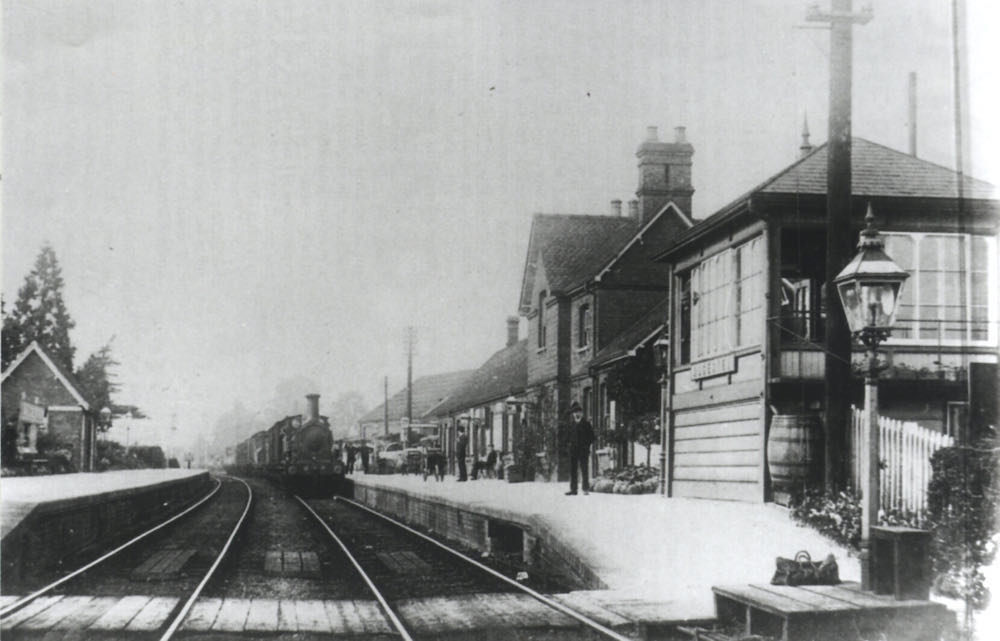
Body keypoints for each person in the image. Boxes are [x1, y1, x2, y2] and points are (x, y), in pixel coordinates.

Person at [566, 400, 594, 495]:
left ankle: (585, 489)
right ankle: (573, 489)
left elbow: (592, 437)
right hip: (573, 450)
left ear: (581, 413)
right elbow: (568, 437)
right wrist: (569, 445)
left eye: (578, 412)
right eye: (574, 412)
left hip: (583, 451)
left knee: (584, 469)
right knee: (573, 470)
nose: (576, 414)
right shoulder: (572, 424)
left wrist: (586, 446)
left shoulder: (586, 424)